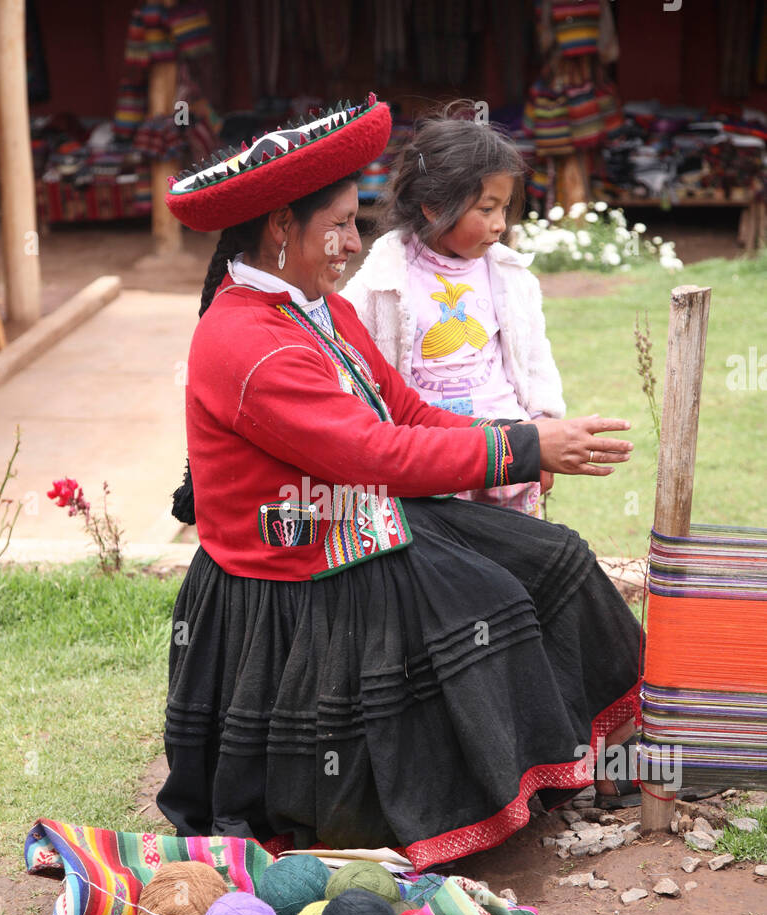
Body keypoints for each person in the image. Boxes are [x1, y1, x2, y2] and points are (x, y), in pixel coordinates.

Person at [160, 94, 642, 872]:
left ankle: (585, 759)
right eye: (340, 225)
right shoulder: (247, 342)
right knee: (485, 604)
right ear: (281, 227)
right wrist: (518, 449)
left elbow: (405, 407)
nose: (353, 242)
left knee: (549, 558)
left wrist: (521, 441)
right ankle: (460, 798)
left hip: (360, 521)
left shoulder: (315, 309)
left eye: (356, 221)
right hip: (302, 569)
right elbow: (373, 453)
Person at [342, 106, 563, 518]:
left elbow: (535, 359)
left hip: (508, 446)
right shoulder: (382, 280)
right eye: (486, 209)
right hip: (431, 453)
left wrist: (542, 431)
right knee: (446, 556)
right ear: (432, 206)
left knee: (512, 547)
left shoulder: (511, 277)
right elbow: (355, 364)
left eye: (504, 208)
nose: (500, 224)